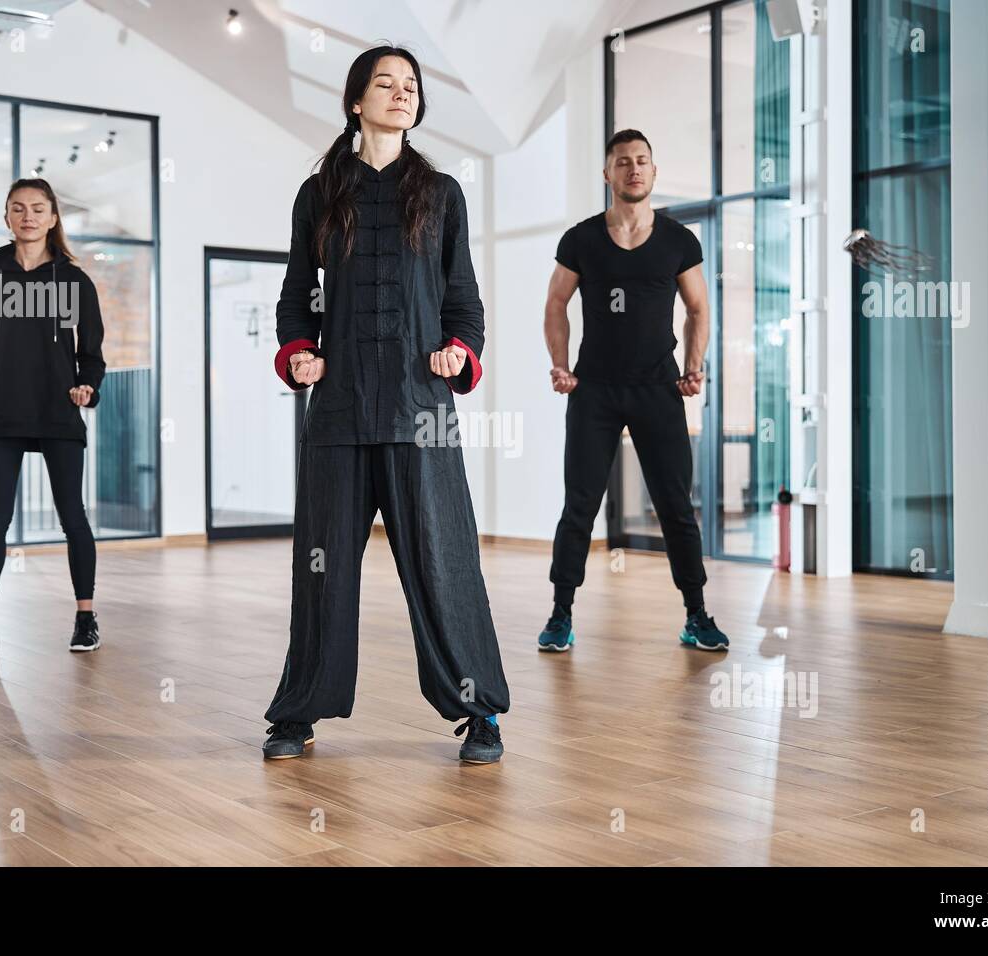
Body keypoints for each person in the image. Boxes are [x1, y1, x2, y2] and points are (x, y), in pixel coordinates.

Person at [262, 45, 509, 764]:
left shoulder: (440, 192)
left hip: (420, 410)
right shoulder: (319, 194)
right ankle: (298, 712)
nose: (402, 95)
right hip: (337, 412)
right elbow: (293, 298)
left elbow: (462, 297)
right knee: (322, 567)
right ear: (355, 100)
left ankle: (479, 711)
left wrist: (460, 349)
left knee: (444, 562)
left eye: (411, 86)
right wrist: (297, 352)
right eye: (385, 84)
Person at [538, 130, 729, 653]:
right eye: (623, 162)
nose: (634, 169)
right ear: (608, 174)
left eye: (642, 161)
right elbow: (556, 303)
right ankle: (560, 614)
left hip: (656, 389)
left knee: (673, 505)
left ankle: (697, 614)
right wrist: (560, 365)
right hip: (594, 391)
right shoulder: (581, 239)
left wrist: (693, 367)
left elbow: (698, 308)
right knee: (580, 504)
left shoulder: (678, 240)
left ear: (654, 171)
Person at [0, 178, 106, 654]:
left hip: (57, 410)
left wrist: (88, 387)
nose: (28, 216)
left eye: (38, 208)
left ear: (53, 217)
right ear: (7, 218)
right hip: (3, 413)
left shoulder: (75, 282)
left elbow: (93, 353)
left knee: (72, 517)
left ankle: (85, 618)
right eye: (18, 209)